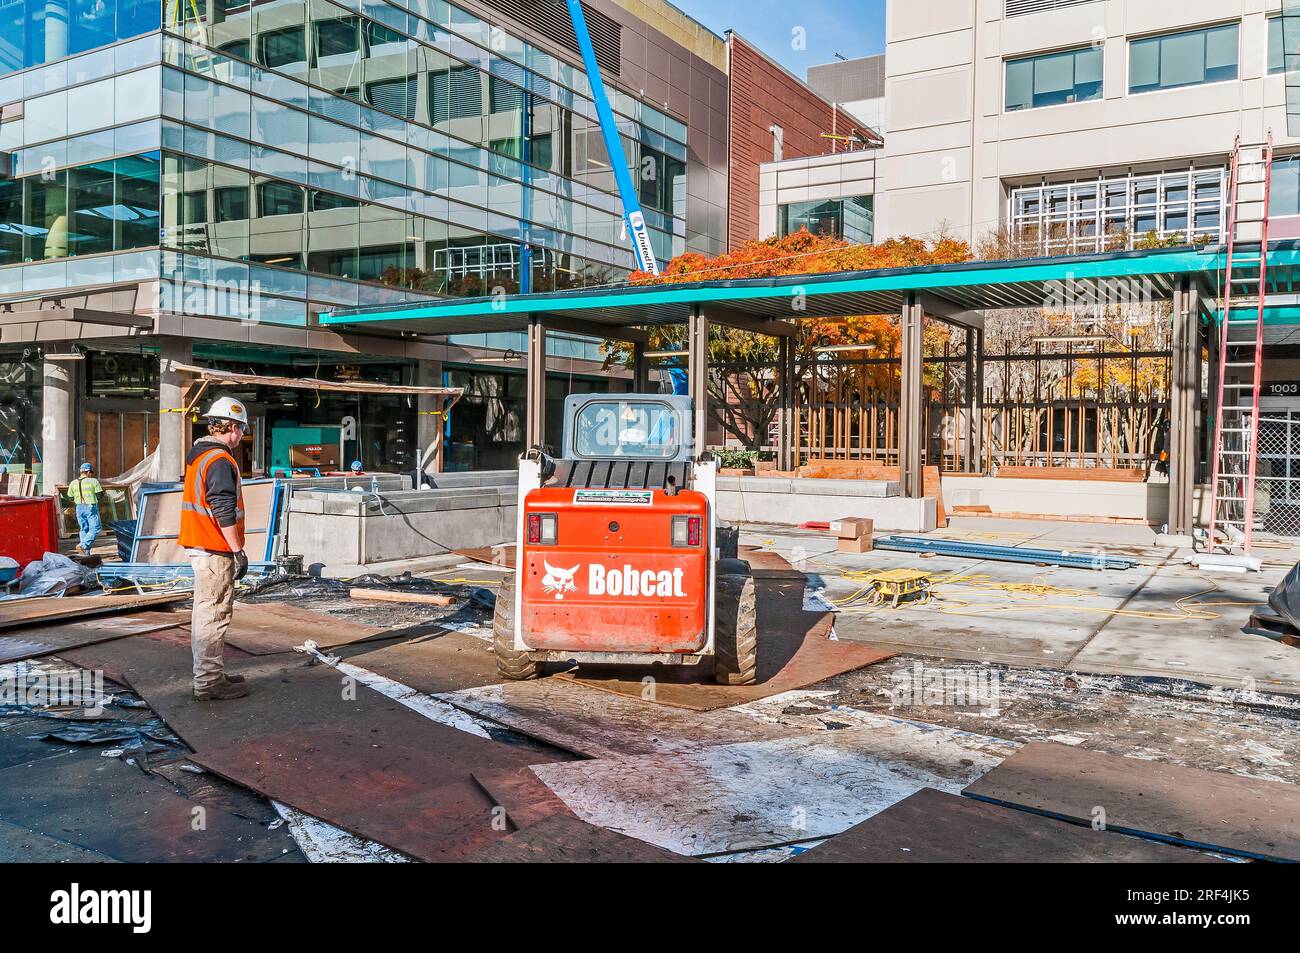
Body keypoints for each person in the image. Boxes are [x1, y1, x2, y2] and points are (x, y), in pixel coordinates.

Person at [179, 397, 251, 701]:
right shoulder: (219, 460)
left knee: (207, 612)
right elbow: (222, 508)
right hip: (214, 547)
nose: (242, 436)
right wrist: (238, 551)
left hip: (202, 543)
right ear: (233, 427)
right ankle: (208, 682)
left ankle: (211, 674)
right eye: (242, 429)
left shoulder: (200, 455)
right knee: (214, 614)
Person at [69, 462, 102, 556]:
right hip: (90, 506)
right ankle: (83, 545)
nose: (91, 474)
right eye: (91, 472)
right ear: (88, 472)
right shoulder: (93, 481)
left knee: (84, 528)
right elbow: (100, 495)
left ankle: (85, 554)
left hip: (79, 507)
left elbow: (70, 497)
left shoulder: (73, 483)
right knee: (95, 528)